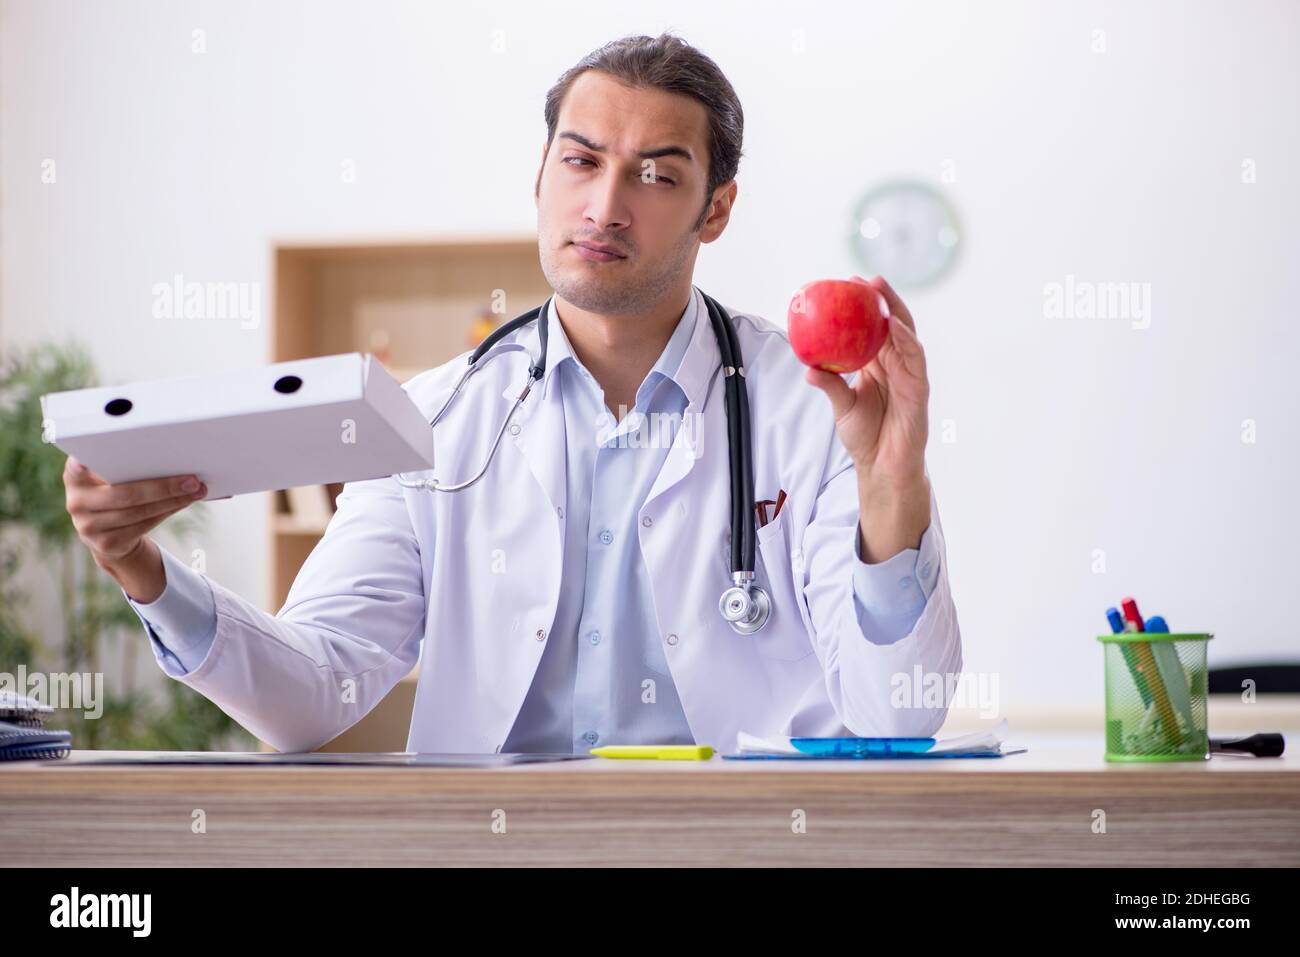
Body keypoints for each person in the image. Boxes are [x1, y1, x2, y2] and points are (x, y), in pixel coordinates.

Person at [62, 33, 961, 754]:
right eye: (581, 161)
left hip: (744, 854)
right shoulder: (429, 419)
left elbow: (896, 720)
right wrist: (143, 571)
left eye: (657, 173)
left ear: (715, 209)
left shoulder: (812, 410)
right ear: (540, 177)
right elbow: (312, 696)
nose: (605, 205)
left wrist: (894, 496)